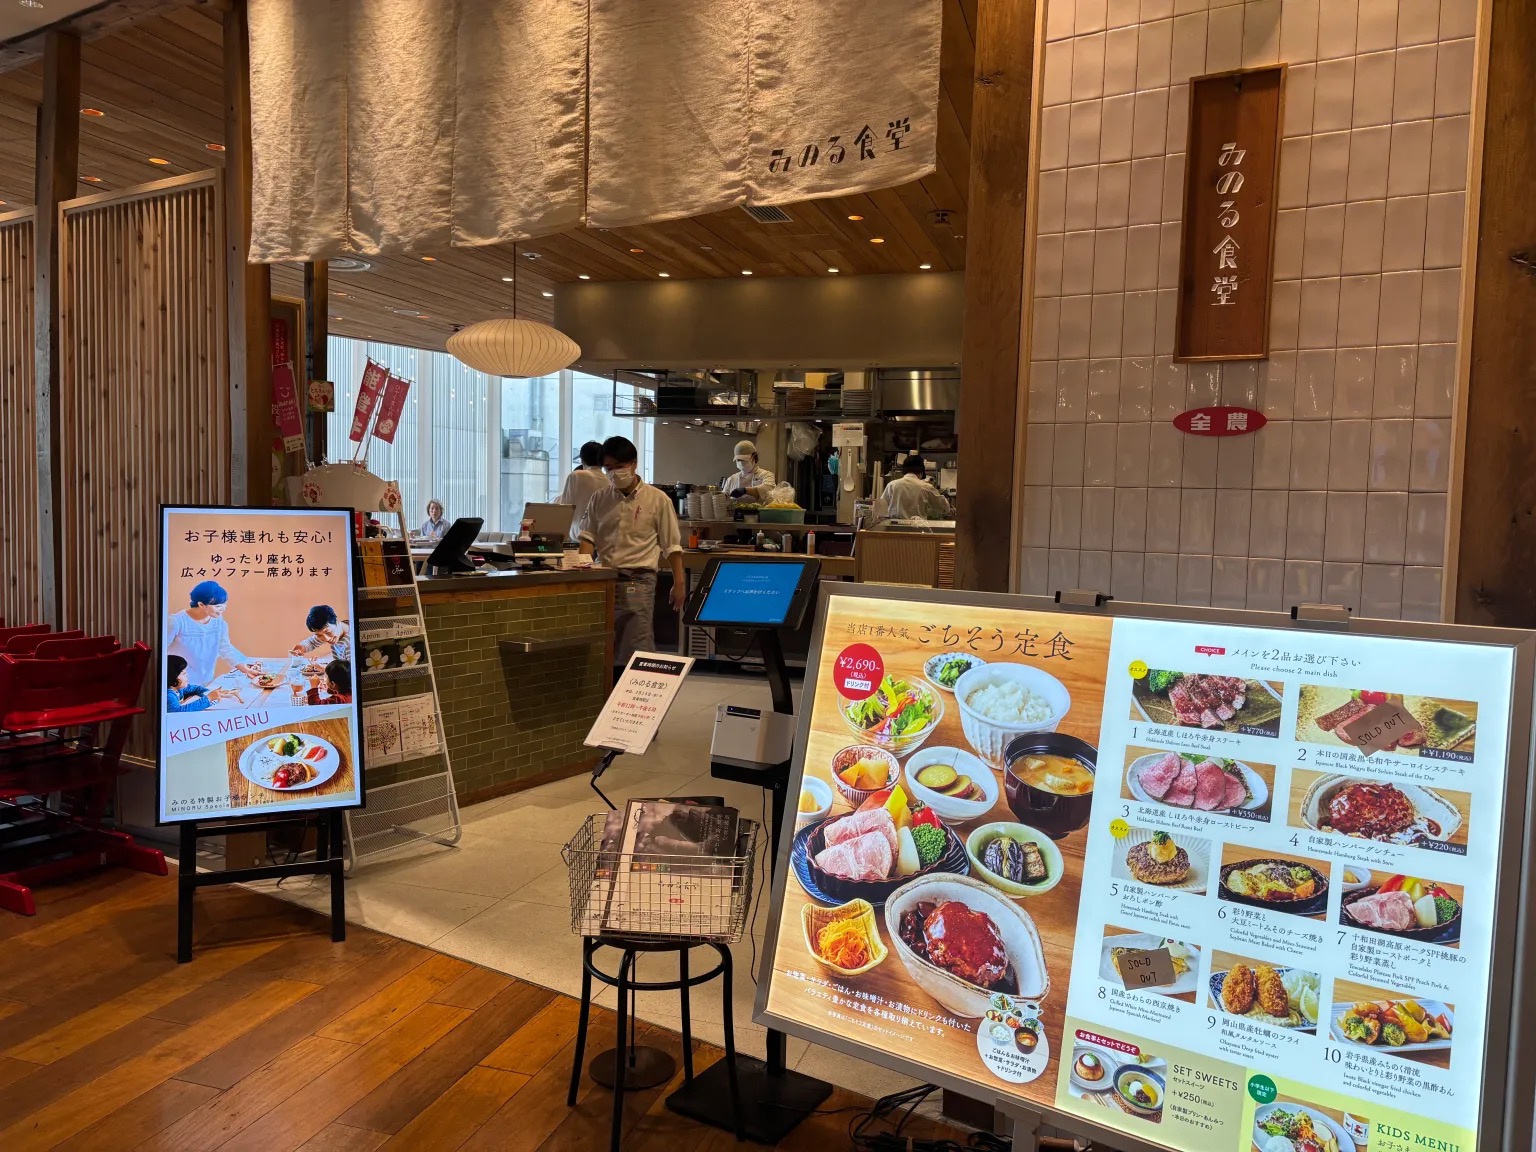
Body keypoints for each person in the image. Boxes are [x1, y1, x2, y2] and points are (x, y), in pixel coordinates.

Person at [577, 435, 686, 669]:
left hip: (638, 579)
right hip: (604, 579)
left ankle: (637, 688)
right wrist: (582, 574)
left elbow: (671, 546)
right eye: (609, 468)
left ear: (634, 463)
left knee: (637, 644)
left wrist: (679, 583)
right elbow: (587, 539)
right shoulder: (600, 498)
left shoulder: (657, 500)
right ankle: (610, 689)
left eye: (619, 466)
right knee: (605, 644)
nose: (614, 473)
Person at [165, 579, 261, 688]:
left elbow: (225, 647)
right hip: (179, 684)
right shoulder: (176, 622)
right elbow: (159, 652)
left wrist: (246, 669)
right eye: (218, 606)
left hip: (206, 681)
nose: (223, 609)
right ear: (201, 604)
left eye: (224, 604)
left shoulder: (219, 622)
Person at [870, 455, 953, 524]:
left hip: (895, 529)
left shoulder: (892, 485)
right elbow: (943, 508)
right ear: (921, 471)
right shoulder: (926, 487)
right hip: (918, 529)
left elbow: (880, 509)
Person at [556, 441, 609, 541]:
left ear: (582, 459)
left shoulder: (577, 475)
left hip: (579, 538)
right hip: (603, 539)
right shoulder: (609, 480)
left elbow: (565, 509)